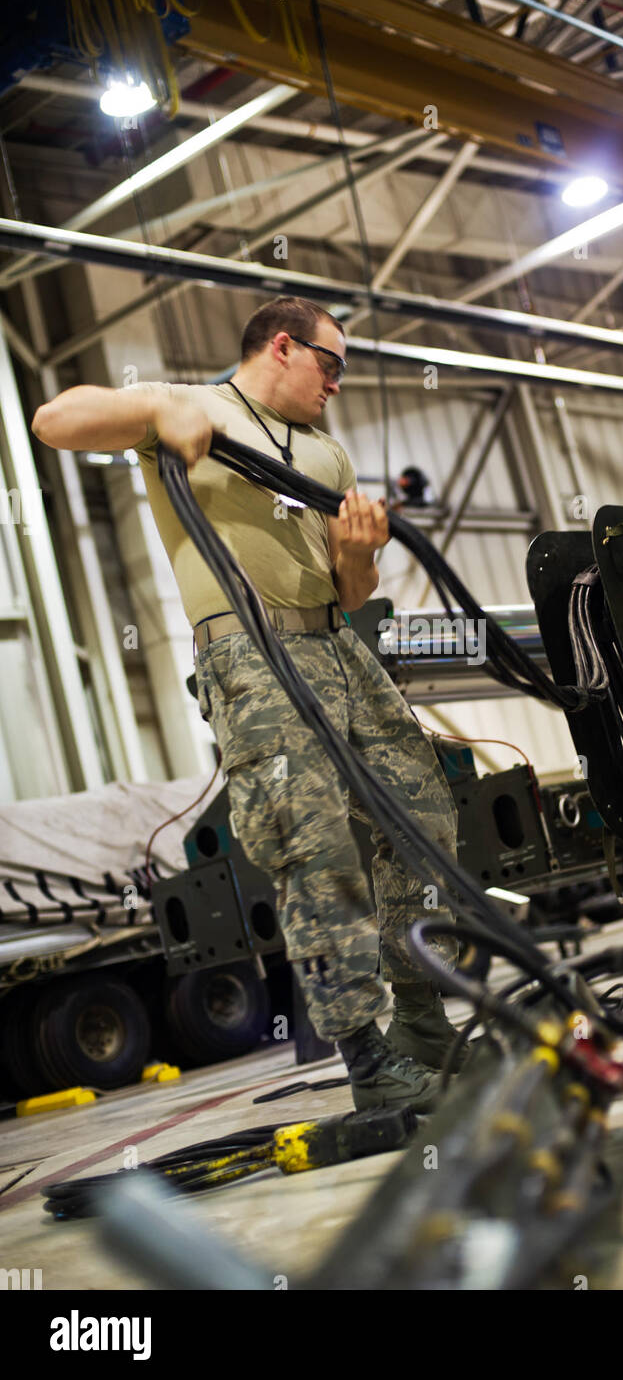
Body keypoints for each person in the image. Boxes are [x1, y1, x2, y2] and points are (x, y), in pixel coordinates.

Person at [31, 295, 465, 1113]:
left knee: (425, 816)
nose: (338, 383)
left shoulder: (326, 458)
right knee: (316, 849)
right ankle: (369, 1064)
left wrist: (359, 557)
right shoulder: (193, 408)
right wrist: (158, 406)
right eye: (330, 364)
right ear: (281, 346)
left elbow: (352, 590)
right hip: (247, 649)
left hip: (337, 643)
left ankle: (418, 1020)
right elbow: (56, 419)